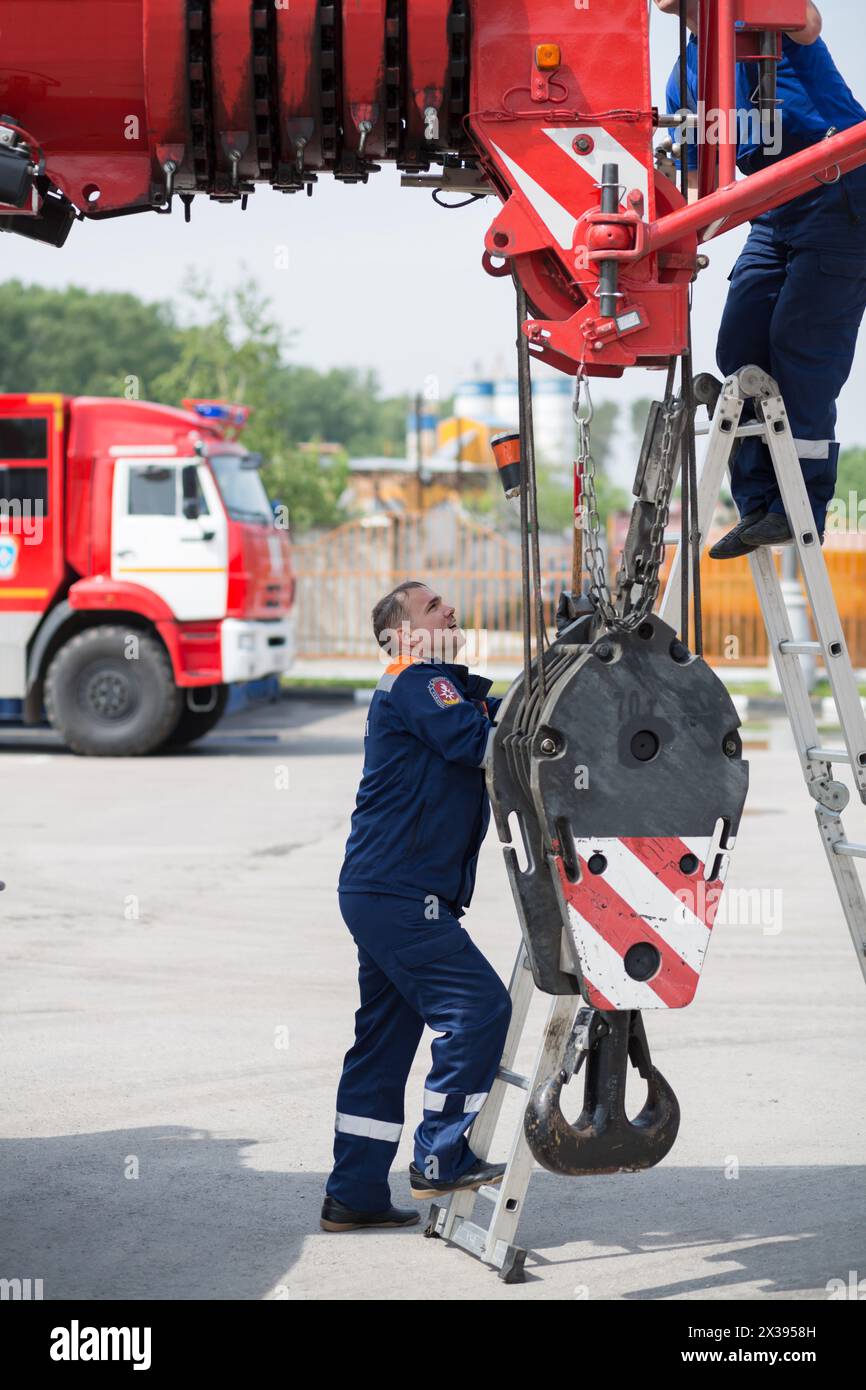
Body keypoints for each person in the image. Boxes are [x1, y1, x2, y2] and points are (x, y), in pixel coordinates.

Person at [320, 580, 512, 1233]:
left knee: (383, 1043)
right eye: (433, 607)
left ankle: (354, 1194)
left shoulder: (438, 686)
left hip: (381, 890)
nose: (451, 609)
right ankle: (441, 1158)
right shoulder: (416, 680)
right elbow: (483, 744)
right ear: (404, 633)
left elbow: (493, 708)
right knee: (479, 1009)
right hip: (400, 894)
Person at [654, 1, 866, 557]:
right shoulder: (686, 76)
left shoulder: (770, 21)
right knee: (740, 348)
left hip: (841, 189)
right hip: (772, 207)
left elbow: (810, 19)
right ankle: (756, 506)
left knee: (802, 347)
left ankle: (802, 507)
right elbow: (698, 186)